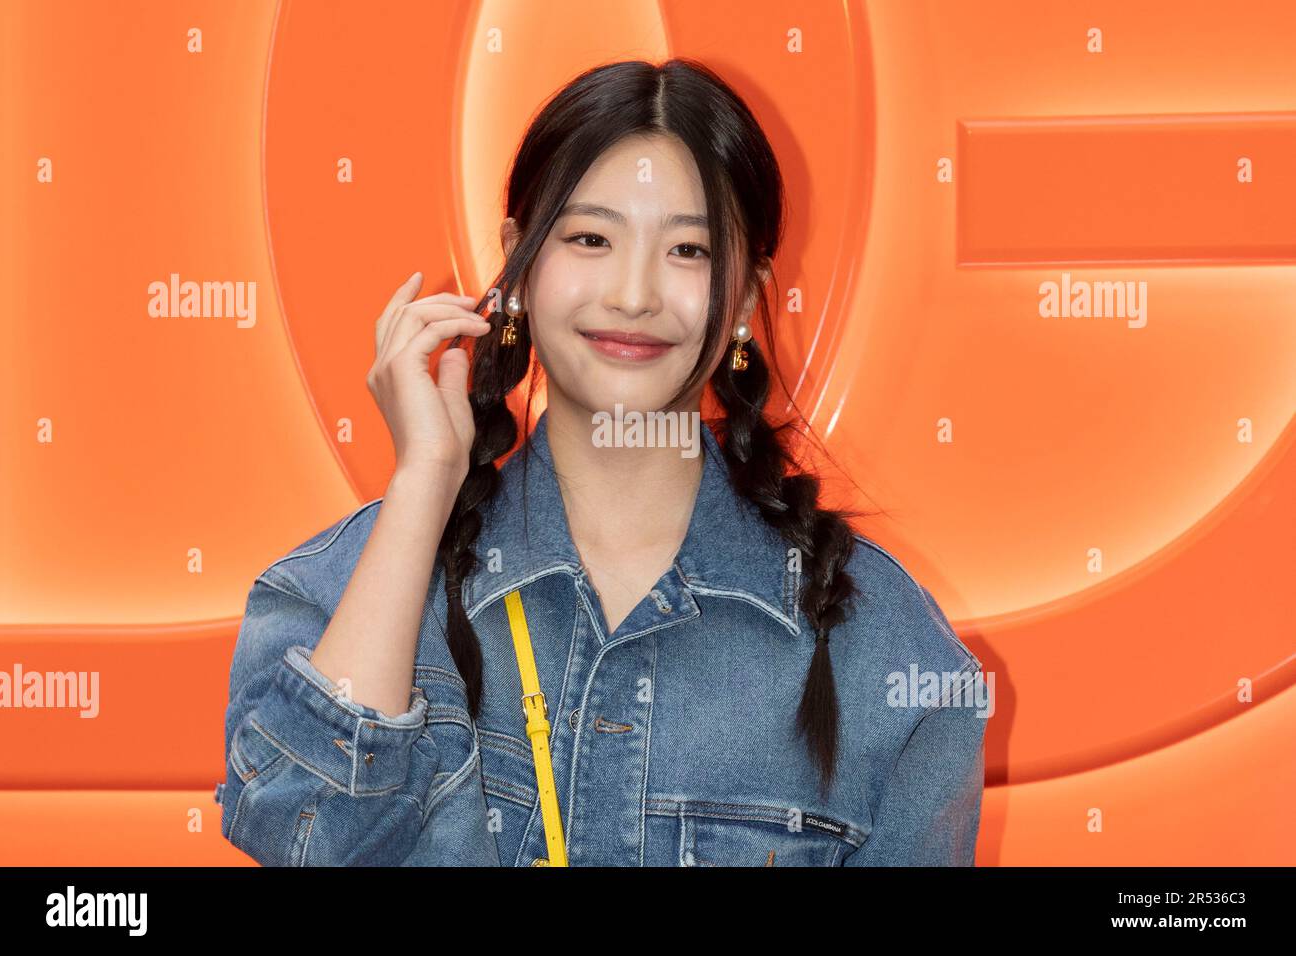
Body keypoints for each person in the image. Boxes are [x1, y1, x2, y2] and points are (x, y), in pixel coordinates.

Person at [216, 58, 987, 867]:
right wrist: (422, 488)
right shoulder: (342, 591)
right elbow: (300, 835)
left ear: (749, 298)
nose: (632, 294)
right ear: (518, 262)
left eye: (688, 250)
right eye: (590, 238)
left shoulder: (894, 657)